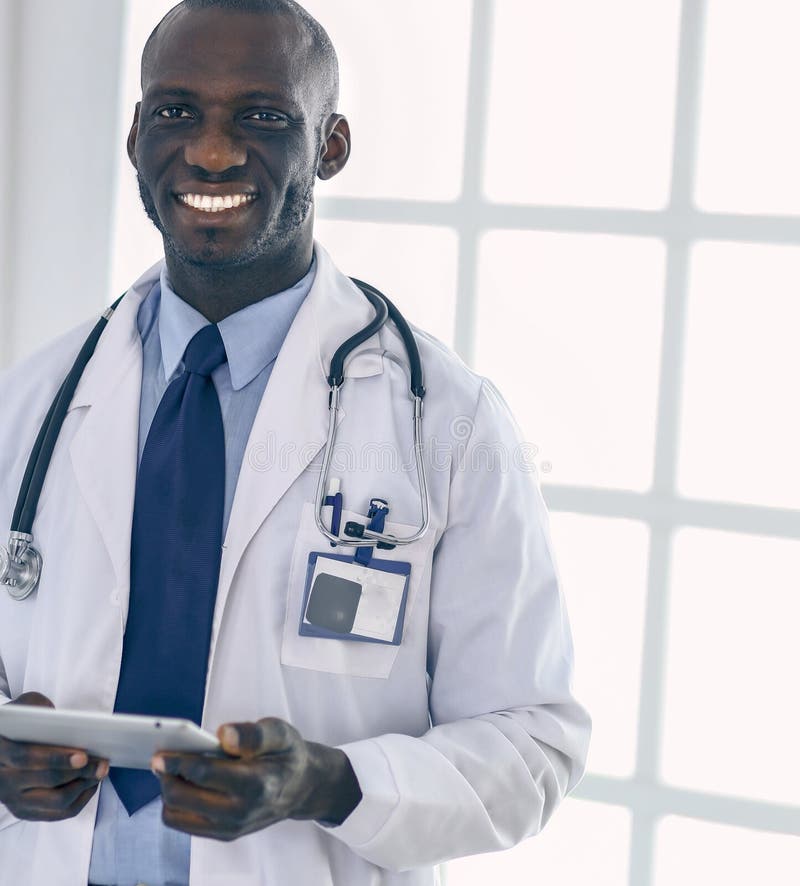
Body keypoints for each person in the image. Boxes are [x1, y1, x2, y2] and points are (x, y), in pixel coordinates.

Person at [0, 1, 591, 884]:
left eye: (262, 117)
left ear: (331, 145)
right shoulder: (38, 396)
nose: (209, 151)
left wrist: (332, 784)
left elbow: (534, 743)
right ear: (133, 135)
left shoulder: (449, 422)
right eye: (176, 111)